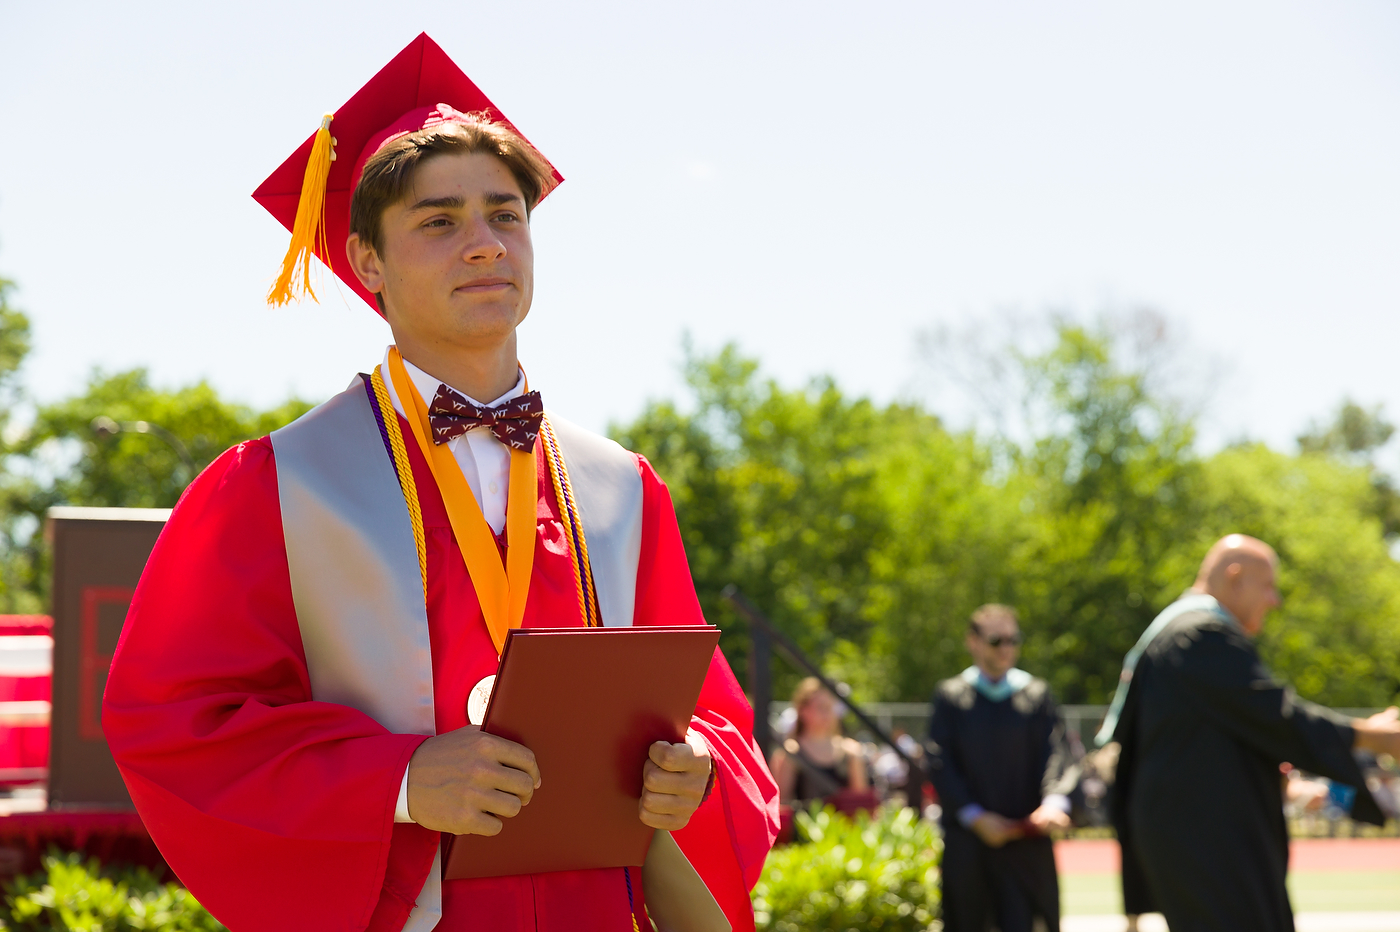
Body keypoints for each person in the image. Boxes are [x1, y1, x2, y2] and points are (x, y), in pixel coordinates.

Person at [101, 33, 778, 932]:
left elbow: (714, 715)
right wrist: (400, 780)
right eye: (438, 221)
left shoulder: (620, 488)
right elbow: (177, 721)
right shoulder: (282, 484)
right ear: (366, 262)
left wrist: (693, 768)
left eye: (506, 214)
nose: (485, 244)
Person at [1101, 534, 1400, 932]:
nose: (1274, 600)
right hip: (1209, 848)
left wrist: (1282, 786)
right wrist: (1369, 736)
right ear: (1235, 577)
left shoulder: (1177, 636)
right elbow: (1272, 715)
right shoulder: (1199, 635)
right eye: (1268, 585)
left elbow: (1208, 745)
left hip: (1198, 842)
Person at [926, 604, 1077, 932]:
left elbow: (1057, 754)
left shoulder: (1036, 695)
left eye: (1013, 639)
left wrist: (1053, 803)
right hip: (971, 844)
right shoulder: (952, 698)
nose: (1007, 648)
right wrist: (974, 816)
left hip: (1027, 843)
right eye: (997, 640)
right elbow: (940, 762)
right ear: (973, 642)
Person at [768, 677, 869, 804]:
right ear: (803, 711)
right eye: (821, 707)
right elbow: (782, 803)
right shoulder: (790, 752)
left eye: (831, 707)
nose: (828, 714)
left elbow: (861, 803)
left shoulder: (851, 750)